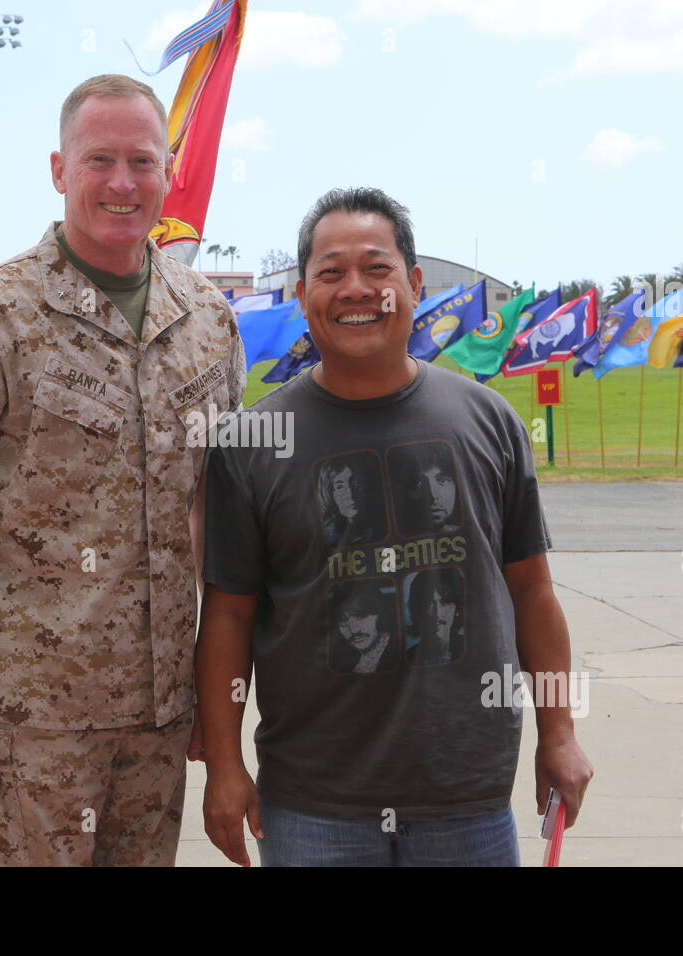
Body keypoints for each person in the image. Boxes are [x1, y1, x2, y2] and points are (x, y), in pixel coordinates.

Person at [0, 74, 245, 867]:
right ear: (59, 169)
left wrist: (215, 700)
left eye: (142, 161)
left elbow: (212, 516)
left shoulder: (209, 322)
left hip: (158, 718)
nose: (122, 183)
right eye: (99, 159)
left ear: (169, 170)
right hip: (23, 724)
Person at [195, 186, 593, 867]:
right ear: (301, 293)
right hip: (312, 805)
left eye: (376, 269)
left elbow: (532, 591)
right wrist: (224, 768)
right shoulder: (252, 442)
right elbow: (228, 618)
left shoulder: (488, 420)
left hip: (466, 798)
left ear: (412, 284)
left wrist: (558, 731)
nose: (355, 289)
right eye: (331, 272)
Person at [404, 568, 461, 666]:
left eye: (445, 602)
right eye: (429, 603)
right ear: (417, 609)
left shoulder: (473, 651)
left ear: (456, 608)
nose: (438, 613)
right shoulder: (408, 660)